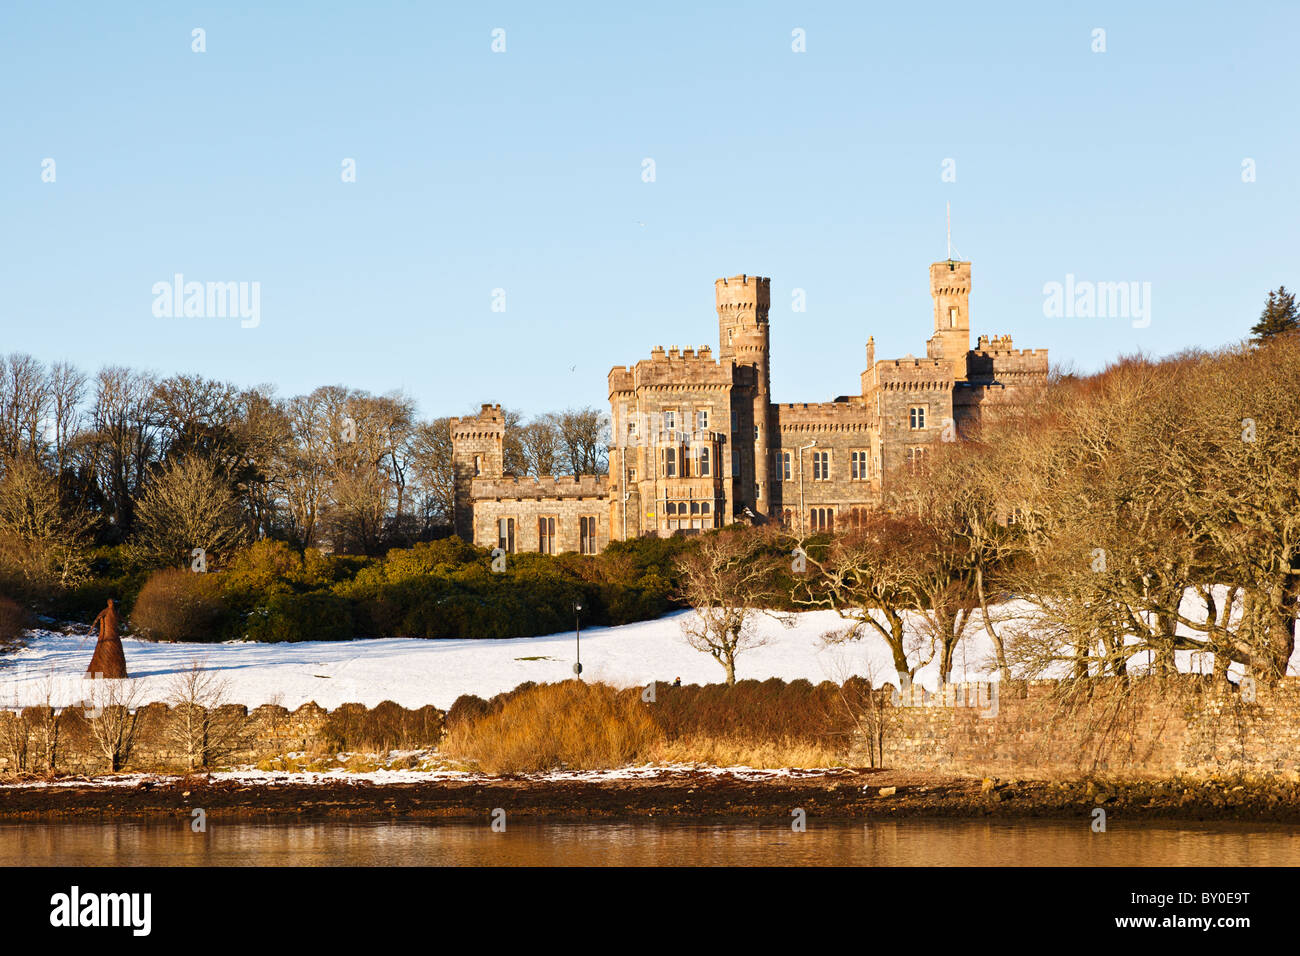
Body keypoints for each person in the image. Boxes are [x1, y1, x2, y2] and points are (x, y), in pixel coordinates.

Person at [86, 598, 128, 679]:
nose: (111, 604)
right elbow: (97, 620)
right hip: (106, 637)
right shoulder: (106, 612)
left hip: (111, 637)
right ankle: (104, 674)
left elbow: (96, 620)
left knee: (110, 653)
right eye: (110, 602)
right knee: (102, 655)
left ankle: (117, 674)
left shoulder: (112, 612)